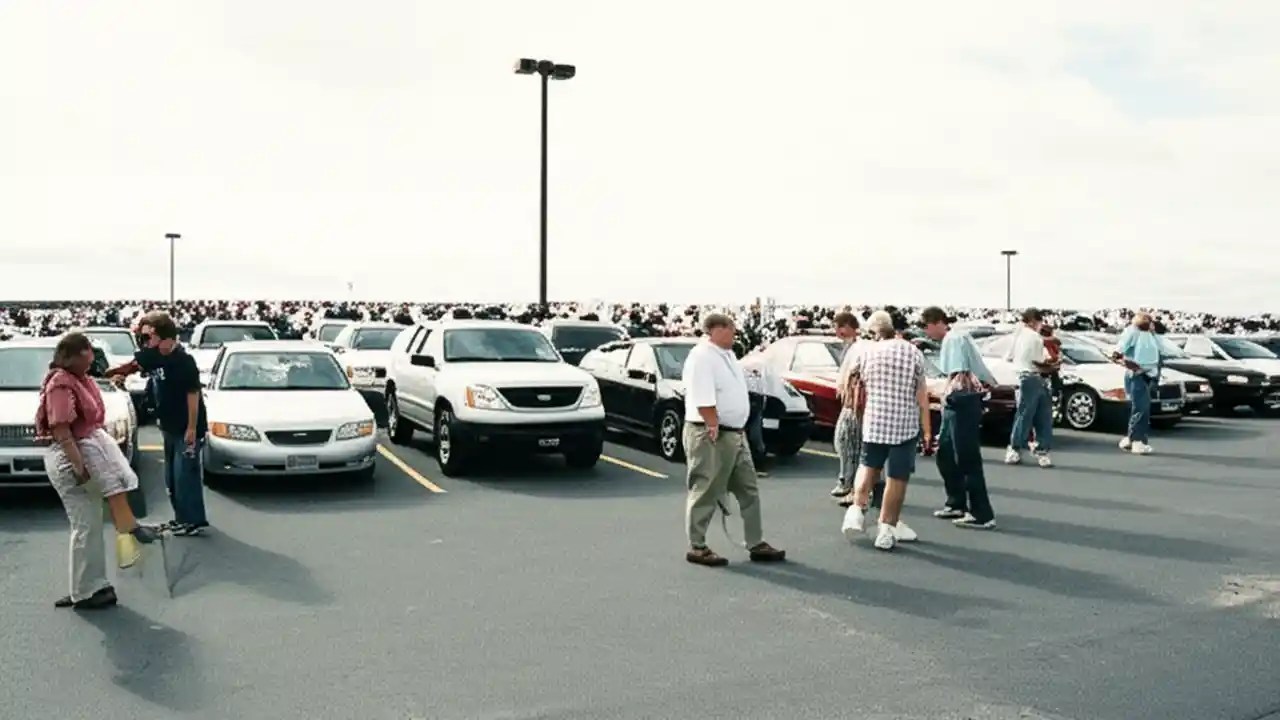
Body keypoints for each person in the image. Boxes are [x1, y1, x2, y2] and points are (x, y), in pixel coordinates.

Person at [36, 333, 160, 610]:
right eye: (87, 353)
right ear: (72, 356)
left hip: (85, 453)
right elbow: (62, 430)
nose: (91, 359)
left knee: (90, 524)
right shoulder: (60, 385)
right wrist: (79, 467)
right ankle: (83, 591)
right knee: (85, 526)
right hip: (71, 457)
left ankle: (92, 584)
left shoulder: (81, 380)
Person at [681, 312, 786, 567]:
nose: (735, 332)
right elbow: (701, 393)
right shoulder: (702, 356)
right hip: (711, 431)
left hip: (734, 433)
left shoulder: (726, 355)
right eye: (730, 327)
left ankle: (755, 541)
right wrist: (712, 421)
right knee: (706, 487)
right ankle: (698, 545)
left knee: (748, 488)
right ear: (715, 329)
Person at [106, 311, 209, 535]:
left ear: (166, 338)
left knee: (185, 476)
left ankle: (193, 520)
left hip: (187, 426)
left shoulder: (183, 361)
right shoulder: (154, 356)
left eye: (149, 337)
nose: (146, 343)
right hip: (169, 425)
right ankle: (180, 517)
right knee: (171, 477)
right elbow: (133, 365)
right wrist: (115, 374)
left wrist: (191, 428)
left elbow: (193, 395)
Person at [840, 310, 930, 551]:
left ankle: (856, 510)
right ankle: (886, 529)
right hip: (904, 422)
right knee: (897, 477)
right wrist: (927, 429)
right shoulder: (912, 351)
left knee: (868, 466)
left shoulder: (867, 351)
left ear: (874, 332)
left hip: (874, 420)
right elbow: (921, 394)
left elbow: (851, 382)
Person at [921, 307, 998, 530]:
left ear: (936, 322)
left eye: (927, 328)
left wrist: (944, 394)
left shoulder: (954, 340)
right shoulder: (959, 336)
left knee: (966, 458)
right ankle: (957, 502)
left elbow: (958, 374)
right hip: (963, 401)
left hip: (961, 401)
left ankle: (982, 513)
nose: (927, 334)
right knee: (945, 452)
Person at [1004, 308, 1057, 468]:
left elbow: (1009, 356)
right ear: (1034, 321)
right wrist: (1053, 365)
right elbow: (1038, 362)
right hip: (1034, 377)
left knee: (1024, 414)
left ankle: (1014, 449)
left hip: (1021, 377)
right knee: (1042, 416)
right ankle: (1042, 451)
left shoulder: (1017, 335)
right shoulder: (1034, 338)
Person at [1112, 311, 1161, 455]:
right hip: (1138, 376)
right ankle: (1137, 441)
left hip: (1140, 375)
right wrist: (1132, 366)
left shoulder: (1144, 335)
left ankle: (1131, 438)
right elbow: (1120, 351)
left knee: (1139, 408)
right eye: (1150, 322)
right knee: (1141, 409)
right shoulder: (1137, 334)